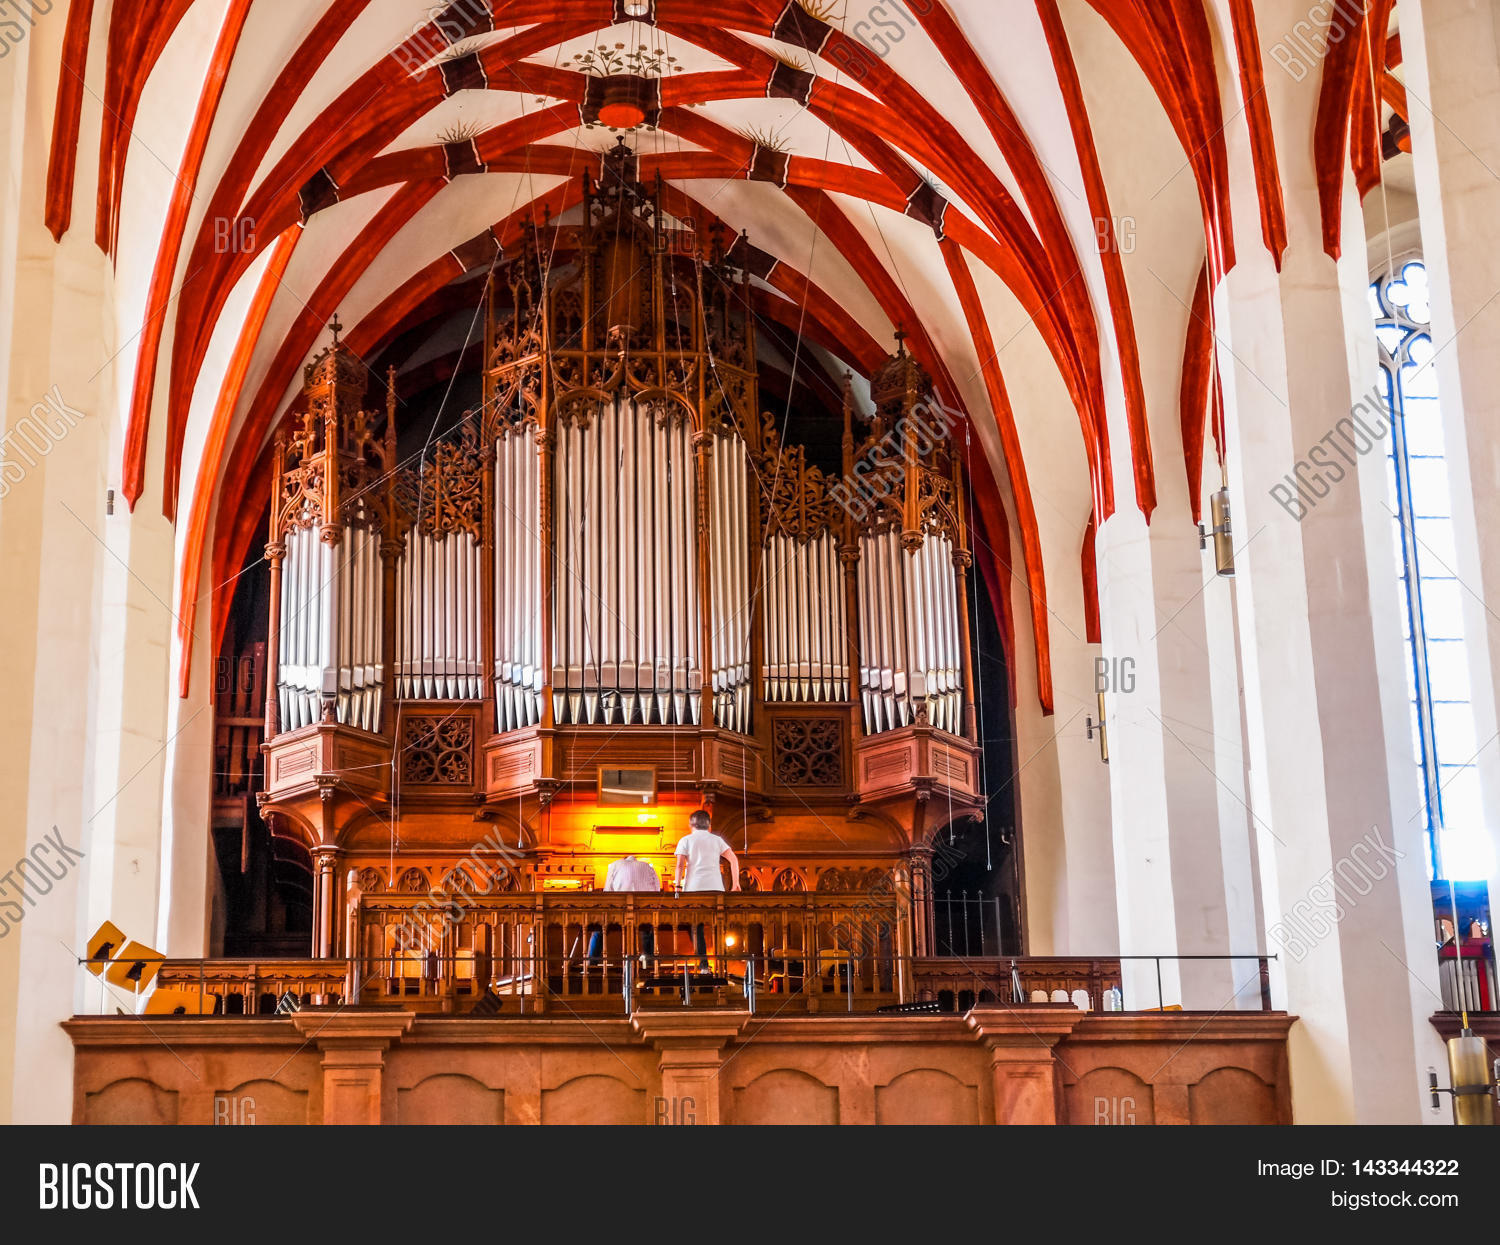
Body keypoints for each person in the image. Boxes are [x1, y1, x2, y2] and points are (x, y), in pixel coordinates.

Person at [673, 809, 740, 970]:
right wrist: (735, 883)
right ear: (709, 825)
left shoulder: (685, 840)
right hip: (715, 888)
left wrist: (677, 886)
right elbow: (733, 859)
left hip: (693, 889)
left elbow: (680, 865)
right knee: (718, 925)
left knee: (696, 926)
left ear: (691, 824)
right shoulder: (716, 840)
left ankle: (704, 964)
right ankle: (723, 963)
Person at [587, 855, 661, 965]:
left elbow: (608, 891)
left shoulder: (615, 865)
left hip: (619, 911)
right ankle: (650, 964)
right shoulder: (648, 866)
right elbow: (657, 890)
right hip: (643, 911)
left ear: (624, 859)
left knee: (599, 930)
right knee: (648, 931)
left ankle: (592, 964)